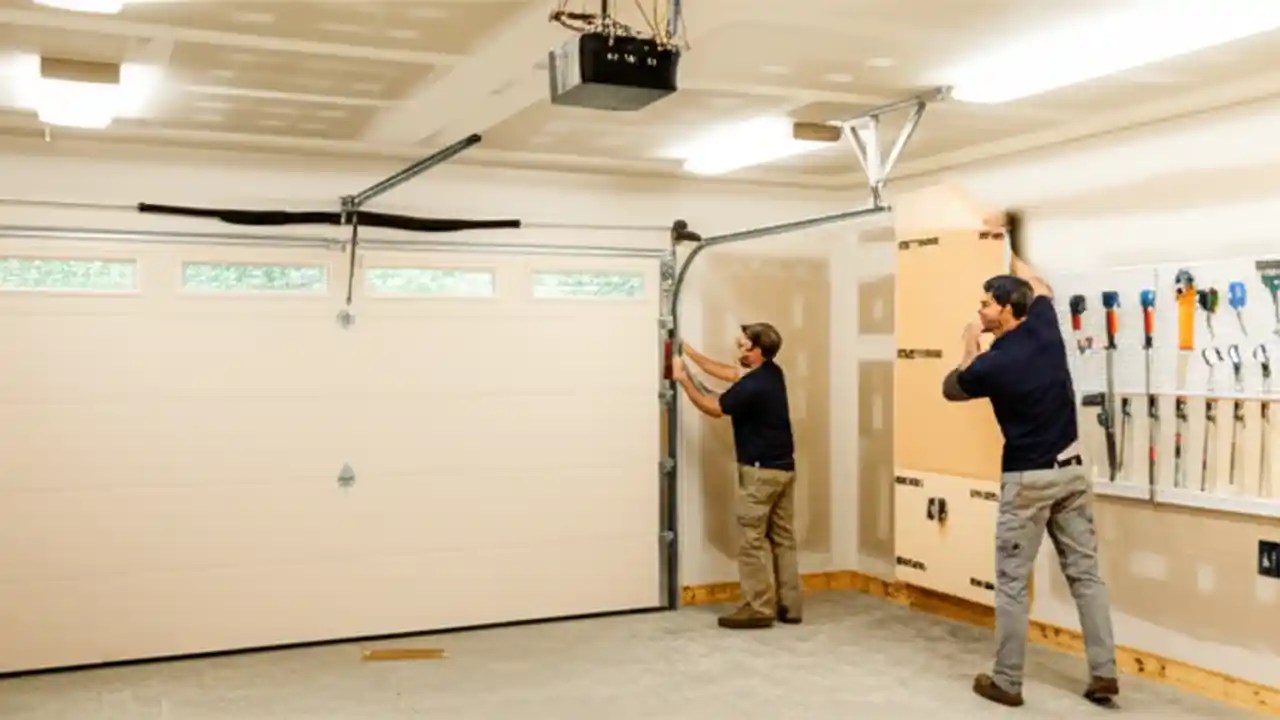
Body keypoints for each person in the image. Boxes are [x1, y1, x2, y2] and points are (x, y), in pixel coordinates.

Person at [941, 250, 1119, 708]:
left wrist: (969, 344)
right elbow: (1039, 286)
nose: (980, 310)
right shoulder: (1044, 325)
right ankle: (1104, 673)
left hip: (1028, 482)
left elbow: (951, 387)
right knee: (1086, 576)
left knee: (1012, 583)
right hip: (1072, 473)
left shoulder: (992, 364)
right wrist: (1013, 243)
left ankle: (1006, 681)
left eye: (985, 303)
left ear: (1005, 309)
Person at [671, 322, 802, 630]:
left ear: (758, 351)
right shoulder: (772, 373)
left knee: (751, 540)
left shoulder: (754, 386)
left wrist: (683, 379)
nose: (738, 349)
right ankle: (790, 606)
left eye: (743, 345)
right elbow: (729, 373)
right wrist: (689, 353)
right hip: (783, 469)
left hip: (760, 474)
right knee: (783, 539)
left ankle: (758, 608)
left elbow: (713, 406)